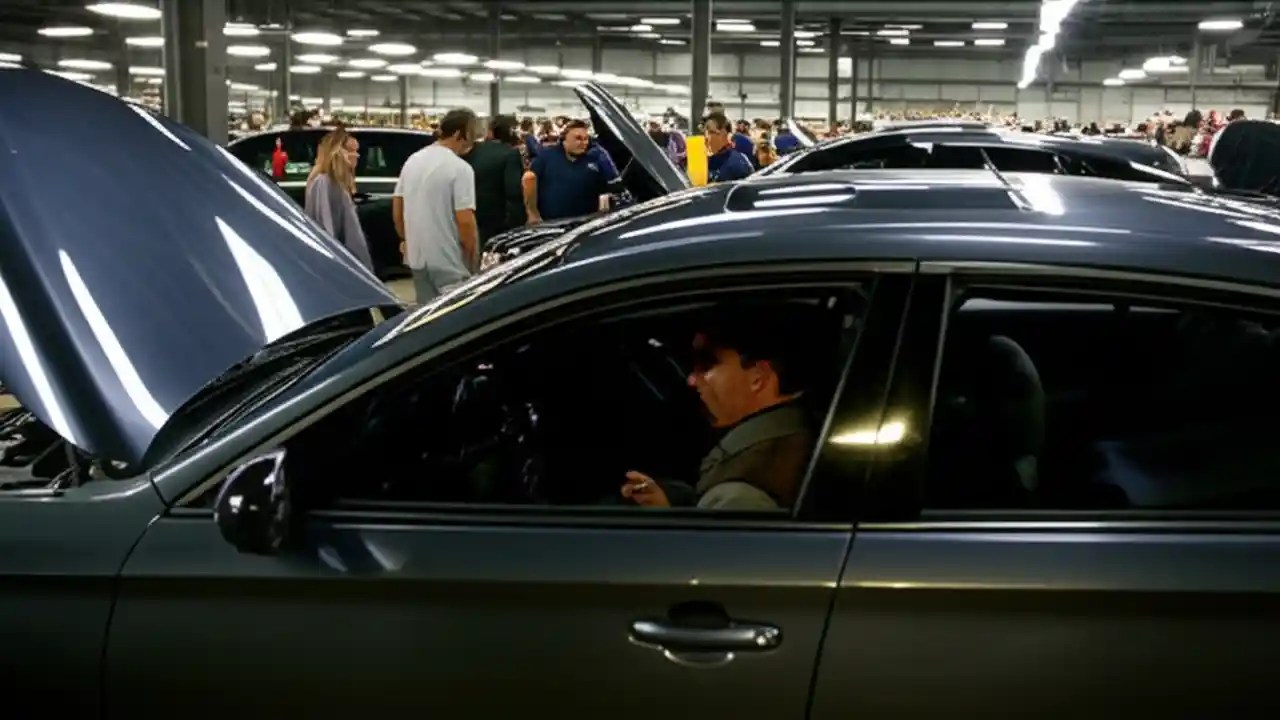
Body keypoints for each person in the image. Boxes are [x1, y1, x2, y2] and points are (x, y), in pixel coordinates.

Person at [620, 305, 818, 510]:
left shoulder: (739, 492)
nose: (691, 380)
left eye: (707, 365)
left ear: (758, 376)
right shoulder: (797, 438)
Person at [393, 108, 479, 303]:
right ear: (459, 133)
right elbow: (465, 221)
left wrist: (407, 238)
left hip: (417, 259)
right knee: (456, 317)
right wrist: (473, 259)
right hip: (449, 261)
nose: (473, 141)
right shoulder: (460, 168)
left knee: (427, 317)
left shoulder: (412, 161)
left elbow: (397, 209)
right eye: (472, 134)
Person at [303, 127, 375, 272]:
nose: (357, 156)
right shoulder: (325, 182)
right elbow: (328, 230)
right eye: (350, 150)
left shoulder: (335, 182)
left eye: (356, 150)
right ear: (336, 151)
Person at [523, 118, 618, 224]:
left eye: (586, 139)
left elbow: (605, 192)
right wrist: (532, 213)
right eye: (578, 138)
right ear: (564, 139)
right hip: (551, 225)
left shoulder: (593, 159)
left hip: (585, 224)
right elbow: (529, 179)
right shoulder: (546, 156)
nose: (583, 143)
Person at [463, 114, 525, 248]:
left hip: (472, 214)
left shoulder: (473, 150)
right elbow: (514, 191)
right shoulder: (510, 154)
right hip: (498, 222)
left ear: (490, 131)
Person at [703, 111, 754, 183]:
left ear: (724, 133)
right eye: (705, 133)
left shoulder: (736, 163)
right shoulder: (710, 160)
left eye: (711, 132)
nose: (706, 138)